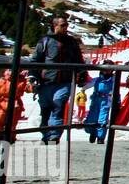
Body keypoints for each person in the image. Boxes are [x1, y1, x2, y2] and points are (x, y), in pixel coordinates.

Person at [30, 16, 88, 144]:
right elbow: (35, 60)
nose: (66, 27)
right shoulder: (44, 41)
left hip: (64, 82)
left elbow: (78, 59)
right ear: (55, 26)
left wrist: (82, 73)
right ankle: (45, 134)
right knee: (45, 110)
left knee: (59, 106)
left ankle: (54, 135)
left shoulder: (72, 42)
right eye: (63, 25)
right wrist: (33, 76)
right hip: (46, 82)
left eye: (66, 25)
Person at [0, 69, 29, 142]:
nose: (10, 72)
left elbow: (28, 89)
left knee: (12, 123)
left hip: (15, 104)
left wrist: (29, 80)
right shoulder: (1, 81)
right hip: (2, 103)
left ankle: (10, 137)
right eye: (8, 70)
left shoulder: (22, 80)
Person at [86, 64, 116, 144]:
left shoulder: (113, 81)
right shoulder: (97, 79)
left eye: (108, 69)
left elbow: (116, 92)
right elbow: (87, 85)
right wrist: (82, 88)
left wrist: (117, 101)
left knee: (102, 119)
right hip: (95, 100)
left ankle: (100, 137)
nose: (106, 71)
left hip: (105, 101)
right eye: (104, 69)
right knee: (92, 117)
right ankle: (92, 133)